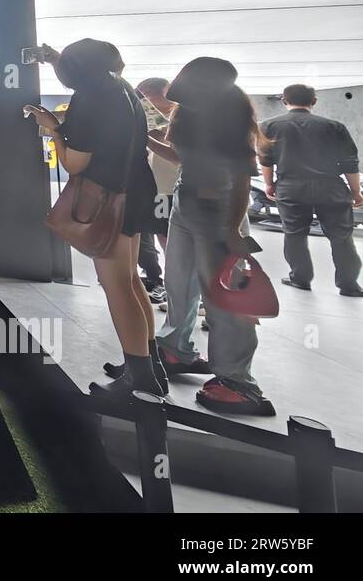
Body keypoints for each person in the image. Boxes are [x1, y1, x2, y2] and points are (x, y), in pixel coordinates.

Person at [25, 39, 164, 398]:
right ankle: (150, 364)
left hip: (109, 198)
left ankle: (139, 380)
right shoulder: (122, 88)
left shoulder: (89, 97)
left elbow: (74, 163)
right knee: (131, 281)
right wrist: (56, 58)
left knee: (117, 287)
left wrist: (53, 128)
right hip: (134, 191)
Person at [150, 57, 275, 416]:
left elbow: (240, 180)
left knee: (224, 297)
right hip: (185, 206)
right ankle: (176, 347)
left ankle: (239, 382)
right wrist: (143, 136)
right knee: (178, 282)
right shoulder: (188, 113)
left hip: (220, 213)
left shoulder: (231, 116)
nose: (177, 82)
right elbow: (179, 157)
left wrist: (234, 229)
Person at [259, 84, 362, 296]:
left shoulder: (269, 125)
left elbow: (266, 160)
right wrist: (355, 191)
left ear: (284, 100)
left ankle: (300, 278)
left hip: (291, 187)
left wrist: (269, 184)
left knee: (295, 233)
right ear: (313, 101)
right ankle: (348, 285)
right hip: (331, 187)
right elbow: (350, 162)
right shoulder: (335, 126)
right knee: (341, 236)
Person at [136, 77, 178, 304]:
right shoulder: (151, 119)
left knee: (173, 240)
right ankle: (168, 287)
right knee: (162, 237)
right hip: (158, 189)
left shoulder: (180, 117)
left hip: (176, 187)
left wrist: (150, 135)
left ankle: (181, 292)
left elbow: (174, 153)